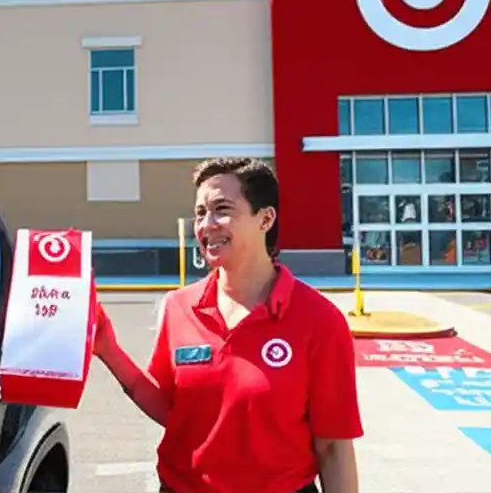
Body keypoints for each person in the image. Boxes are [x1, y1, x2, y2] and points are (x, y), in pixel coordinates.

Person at [92, 156, 363, 493]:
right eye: (200, 213)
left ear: (265, 218)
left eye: (222, 209)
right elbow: (173, 412)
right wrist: (107, 349)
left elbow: (334, 448)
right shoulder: (180, 306)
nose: (207, 224)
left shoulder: (319, 320)